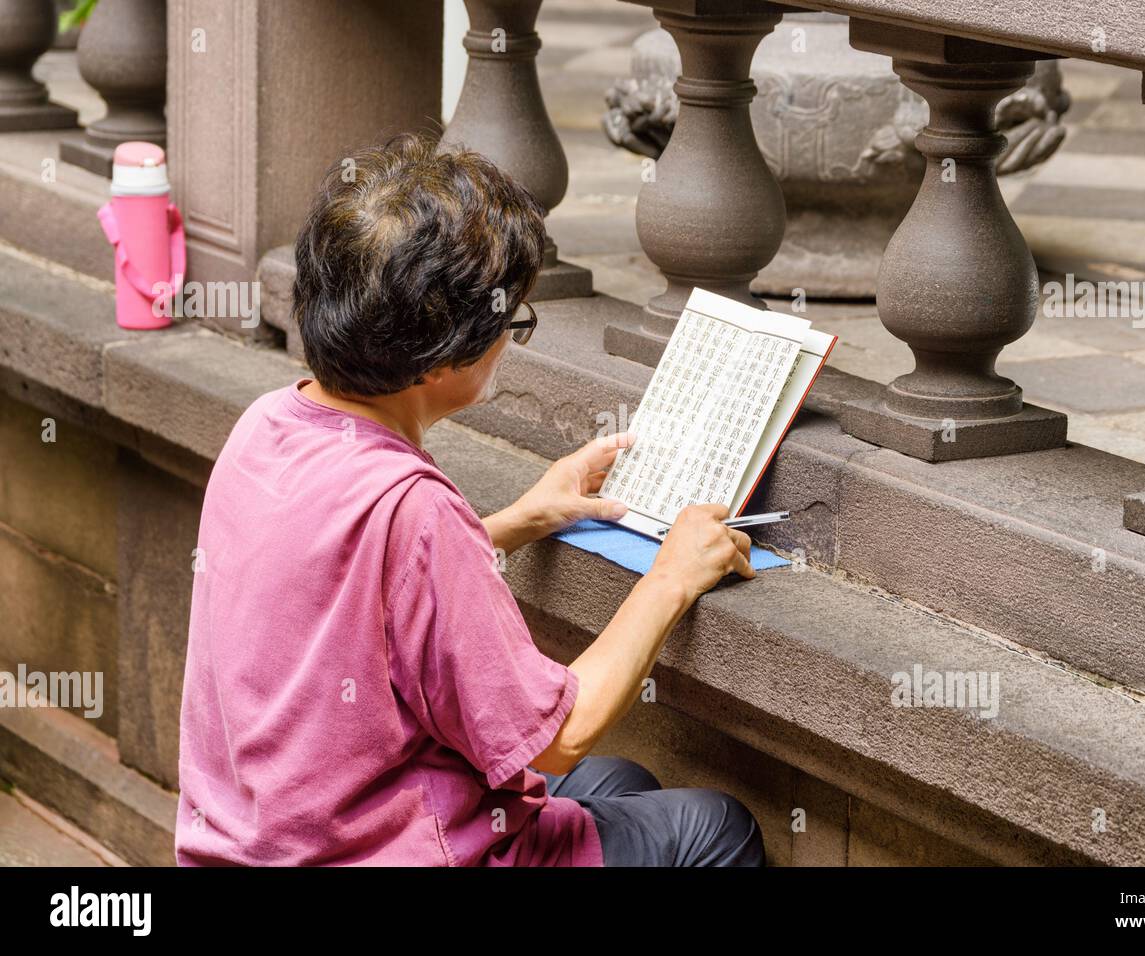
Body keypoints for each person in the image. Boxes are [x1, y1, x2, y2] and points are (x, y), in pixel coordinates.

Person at [174, 132, 765, 867]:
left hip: (261, 841)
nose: (509, 341)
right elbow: (561, 737)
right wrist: (672, 576)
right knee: (718, 827)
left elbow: (358, 587)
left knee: (621, 782)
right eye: (511, 322)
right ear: (442, 356)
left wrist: (518, 521)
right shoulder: (416, 510)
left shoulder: (265, 425)